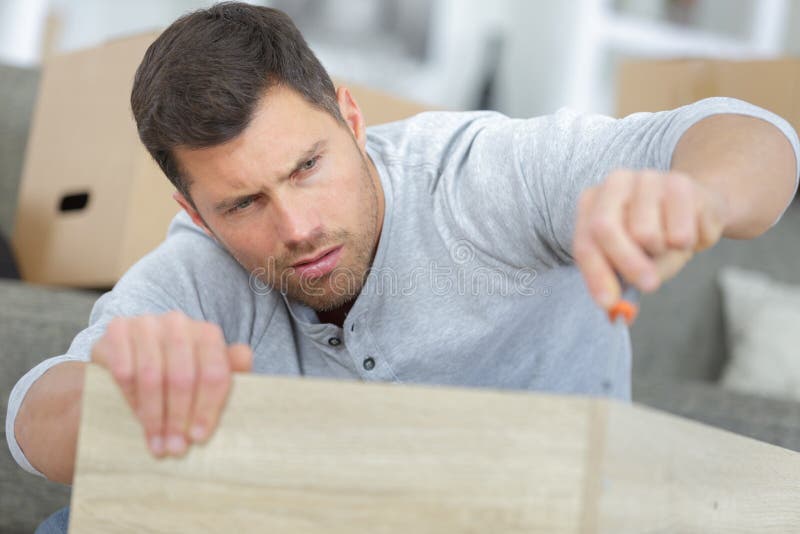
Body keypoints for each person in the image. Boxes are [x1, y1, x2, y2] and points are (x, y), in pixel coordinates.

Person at [9, 2, 798, 532]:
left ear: (352, 119)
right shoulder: (194, 272)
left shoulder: (482, 176)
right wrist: (119, 396)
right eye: (242, 205)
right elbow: (30, 423)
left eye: (309, 166)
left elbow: (758, 140)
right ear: (194, 213)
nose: (298, 227)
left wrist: (696, 194)